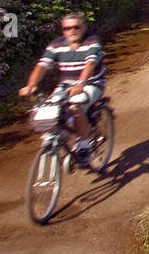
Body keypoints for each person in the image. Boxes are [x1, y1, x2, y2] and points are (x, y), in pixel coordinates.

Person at [19, 12, 105, 160]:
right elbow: (42, 66)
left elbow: (90, 63)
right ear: (62, 30)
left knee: (75, 106)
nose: (72, 31)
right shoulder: (56, 44)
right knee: (49, 107)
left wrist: (81, 83)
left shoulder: (92, 41)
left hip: (91, 83)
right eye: (67, 28)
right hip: (66, 86)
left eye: (76, 27)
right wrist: (31, 85)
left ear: (84, 27)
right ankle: (60, 135)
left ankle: (84, 145)